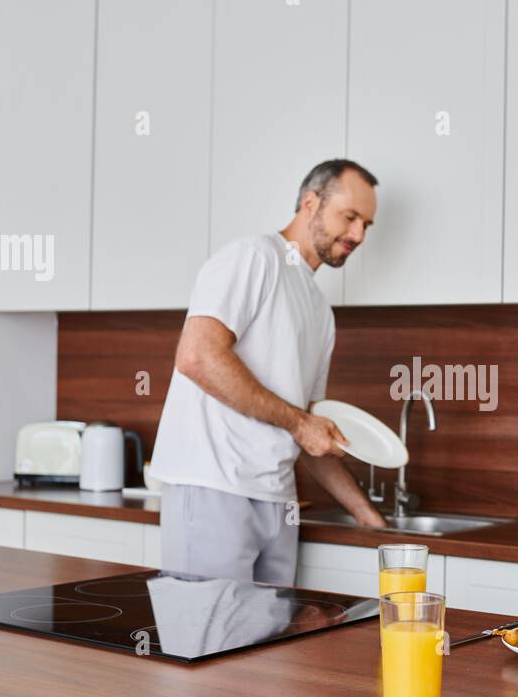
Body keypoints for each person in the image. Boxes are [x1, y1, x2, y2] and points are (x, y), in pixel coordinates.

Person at [150, 159, 387, 586]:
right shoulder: (252, 259)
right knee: (208, 647)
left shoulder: (318, 310)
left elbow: (310, 430)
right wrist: (300, 422)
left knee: (271, 652)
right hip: (213, 488)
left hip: (278, 500)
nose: (358, 235)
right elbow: (197, 357)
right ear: (310, 203)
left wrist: (366, 514)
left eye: (367, 225)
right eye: (349, 217)